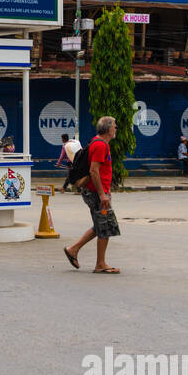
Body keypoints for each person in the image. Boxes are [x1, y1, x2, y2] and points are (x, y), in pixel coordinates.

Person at [63, 115, 121, 274]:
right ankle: (100, 264)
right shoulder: (101, 145)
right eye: (114, 126)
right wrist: (103, 195)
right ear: (109, 129)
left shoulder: (98, 143)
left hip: (97, 191)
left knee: (99, 225)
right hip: (96, 192)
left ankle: (73, 249)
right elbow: (94, 171)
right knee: (105, 226)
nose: (116, 128)